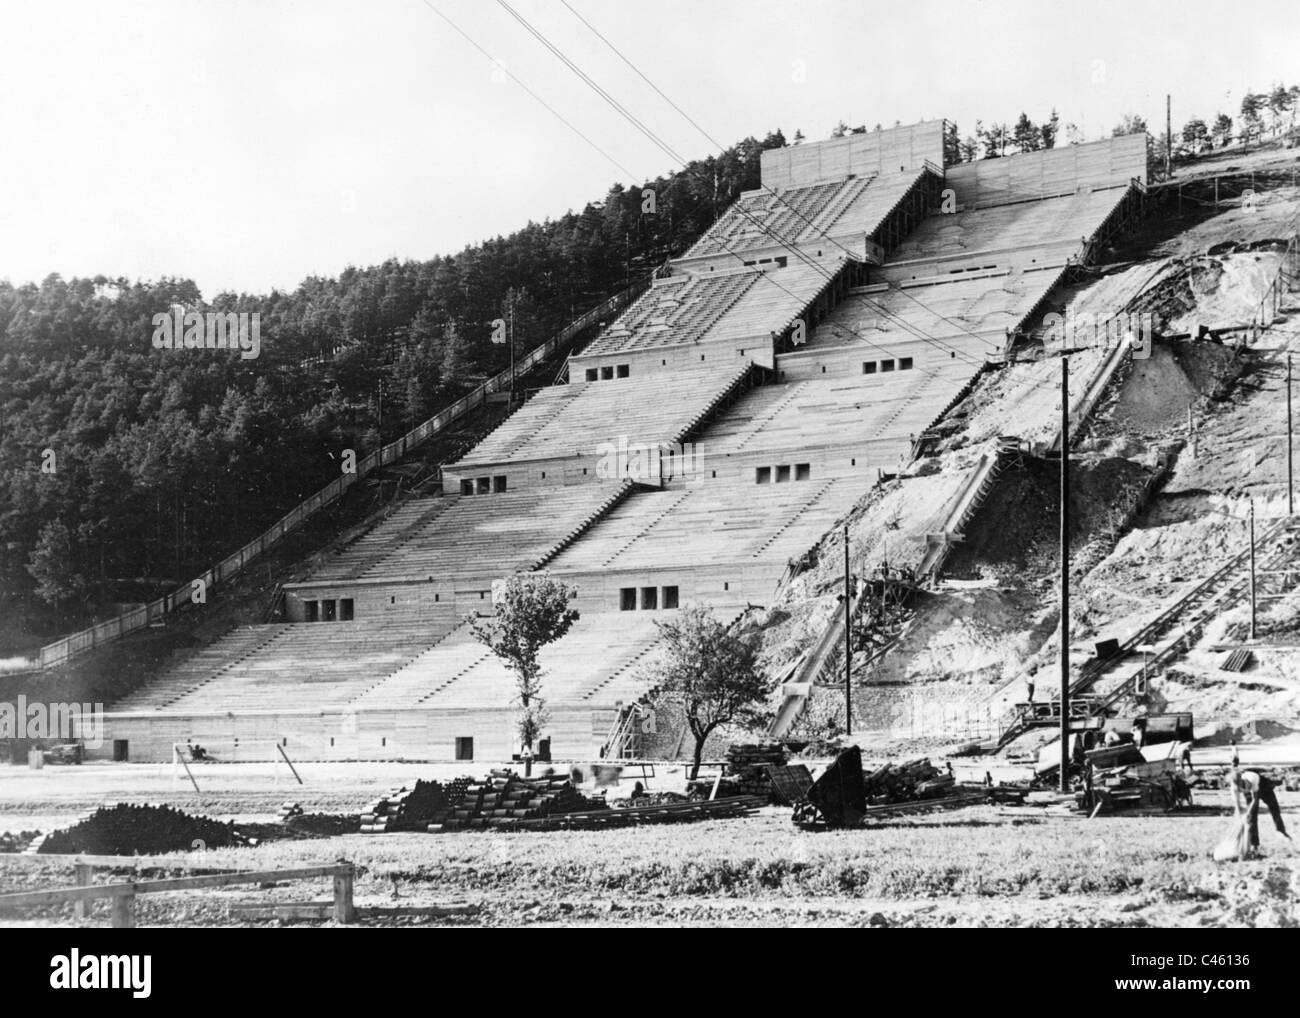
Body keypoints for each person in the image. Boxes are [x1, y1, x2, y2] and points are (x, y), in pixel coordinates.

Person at [1231, 755, 1290, 853]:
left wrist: (1247, 812)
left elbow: (1255, 800)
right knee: (1251, 817)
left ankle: (1280, 830)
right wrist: (1241, 818)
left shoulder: (1252, 777)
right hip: (1250, 791)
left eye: (1244, 784)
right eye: (1241, 787)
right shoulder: (1235, 788)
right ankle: (1254, 844)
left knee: (1274, 806)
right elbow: (1237, 806)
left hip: (1262, 785)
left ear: (1243, 780)